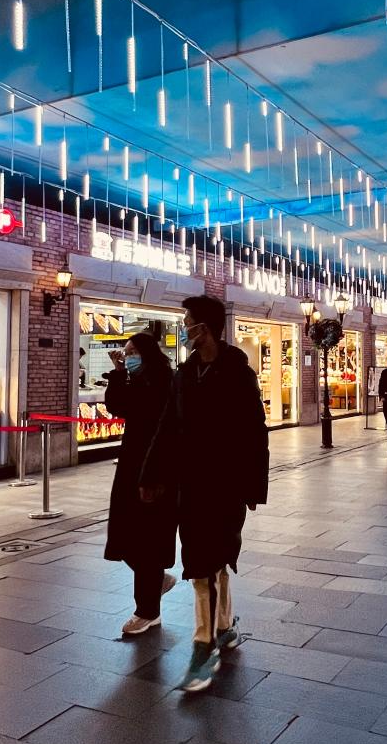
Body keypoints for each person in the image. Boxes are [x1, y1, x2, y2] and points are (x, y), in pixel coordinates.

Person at [141, 295, 268, 693]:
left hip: (226, 485)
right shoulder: (185, 374)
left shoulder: (237, 374)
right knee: (209, 560)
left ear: (205, 328)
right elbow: (167, 427)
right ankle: (225, 626)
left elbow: (254, 434)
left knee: (204, 562)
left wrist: (253, 487)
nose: (184, 327)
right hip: (190, 484)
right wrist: (152, 474)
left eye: (188, 322)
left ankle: (204, 644)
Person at [101, 333, 178, 636]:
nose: (127, 355)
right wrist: (119, 374)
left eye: (133, 352)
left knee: (148, 539)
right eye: (126, 350)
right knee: (124, 533)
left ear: (147, 353)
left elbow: (165, 427)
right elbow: (117, 407)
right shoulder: (138, 378)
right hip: (133, 466)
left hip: (156, 469)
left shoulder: (162, 381)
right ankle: (156, 585)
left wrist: (156, 474)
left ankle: (147, 611)